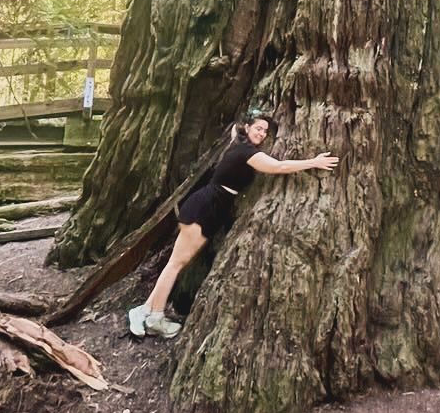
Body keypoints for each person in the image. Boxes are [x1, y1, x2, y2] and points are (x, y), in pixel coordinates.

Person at [128, 109, 339, 338]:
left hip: (212, 207)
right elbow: (279, 167)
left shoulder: (237, 145)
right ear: (246, 127)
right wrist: (314, 162)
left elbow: (235, 133)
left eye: (265, 131)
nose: (262, 133)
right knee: (177, 263)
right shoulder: (245, 151)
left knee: (177, 262)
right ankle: (155, 317)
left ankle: (145, 310)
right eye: (258, 128)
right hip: (204, 207)